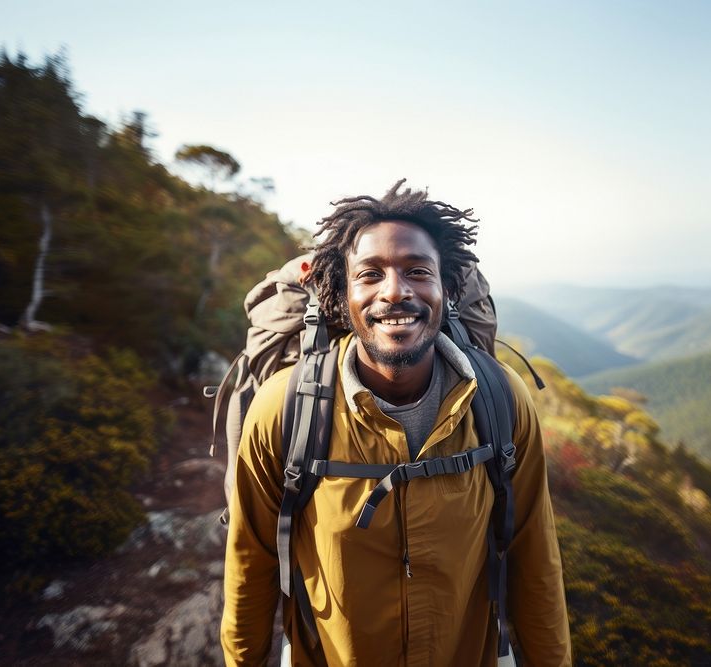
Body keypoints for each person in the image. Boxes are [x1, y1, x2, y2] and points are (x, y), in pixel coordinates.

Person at [220, 180, 571, 666]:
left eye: (417, 271)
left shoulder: (501, 399)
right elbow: (250, 562)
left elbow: (535, 558)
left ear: (446, 290)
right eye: (369, 274)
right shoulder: (285, 408)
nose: (395, 291)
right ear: (342, 296)